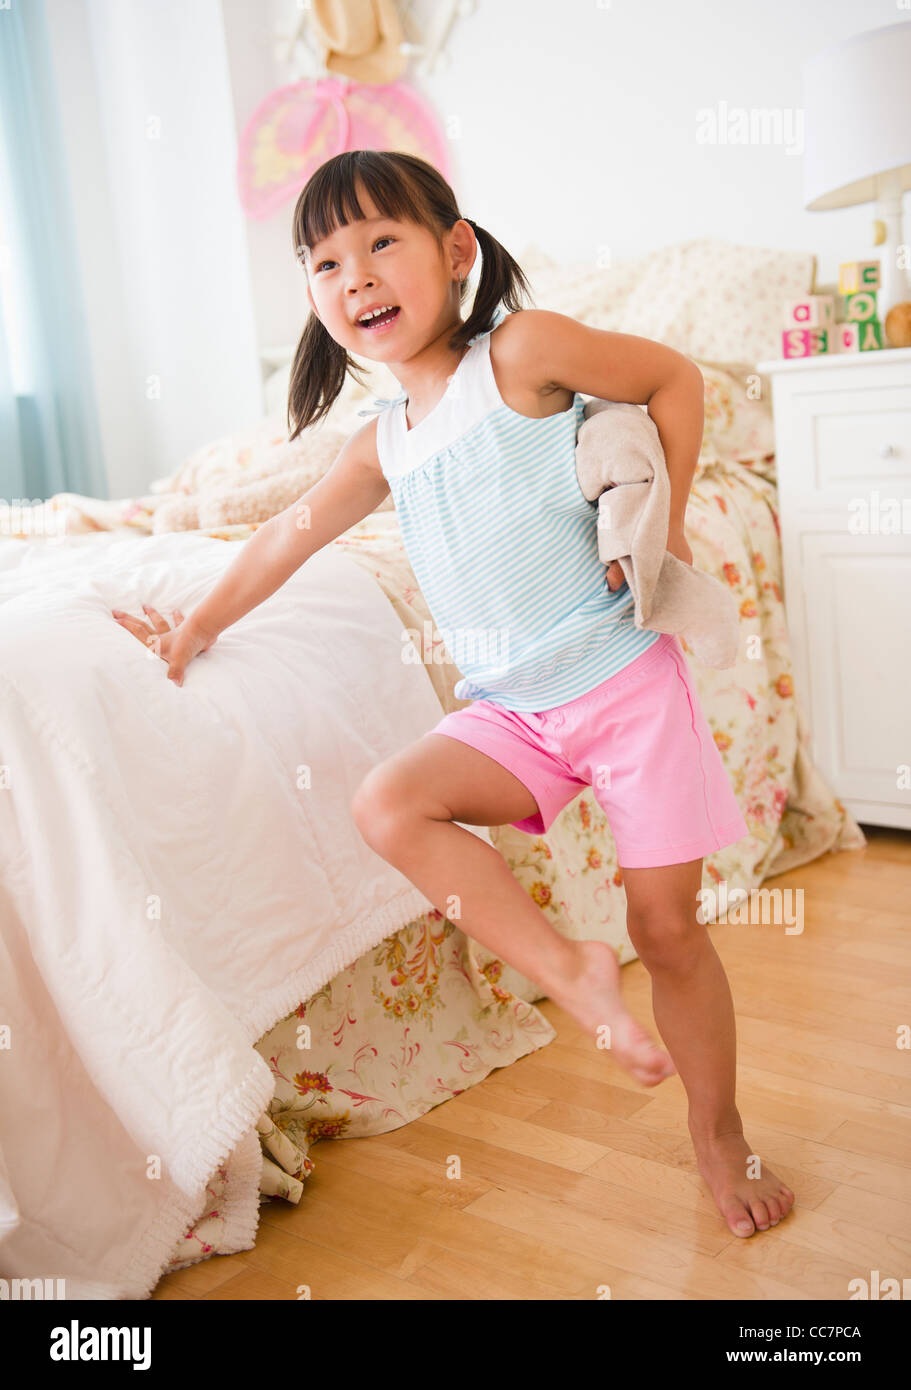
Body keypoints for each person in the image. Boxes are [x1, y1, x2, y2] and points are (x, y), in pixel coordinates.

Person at [114, 150, 794, 1241]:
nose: (357, 276)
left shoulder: (521, 352)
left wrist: (661, 533)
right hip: (512, 712)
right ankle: (568, 969)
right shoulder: (380, 443)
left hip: (618, 680)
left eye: (382, 240)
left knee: (665, 929)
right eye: (325, 260)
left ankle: (717, 1131)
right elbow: (287, 533)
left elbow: (674, 378)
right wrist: (193, 625)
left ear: (455, 249)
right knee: (389, 802)